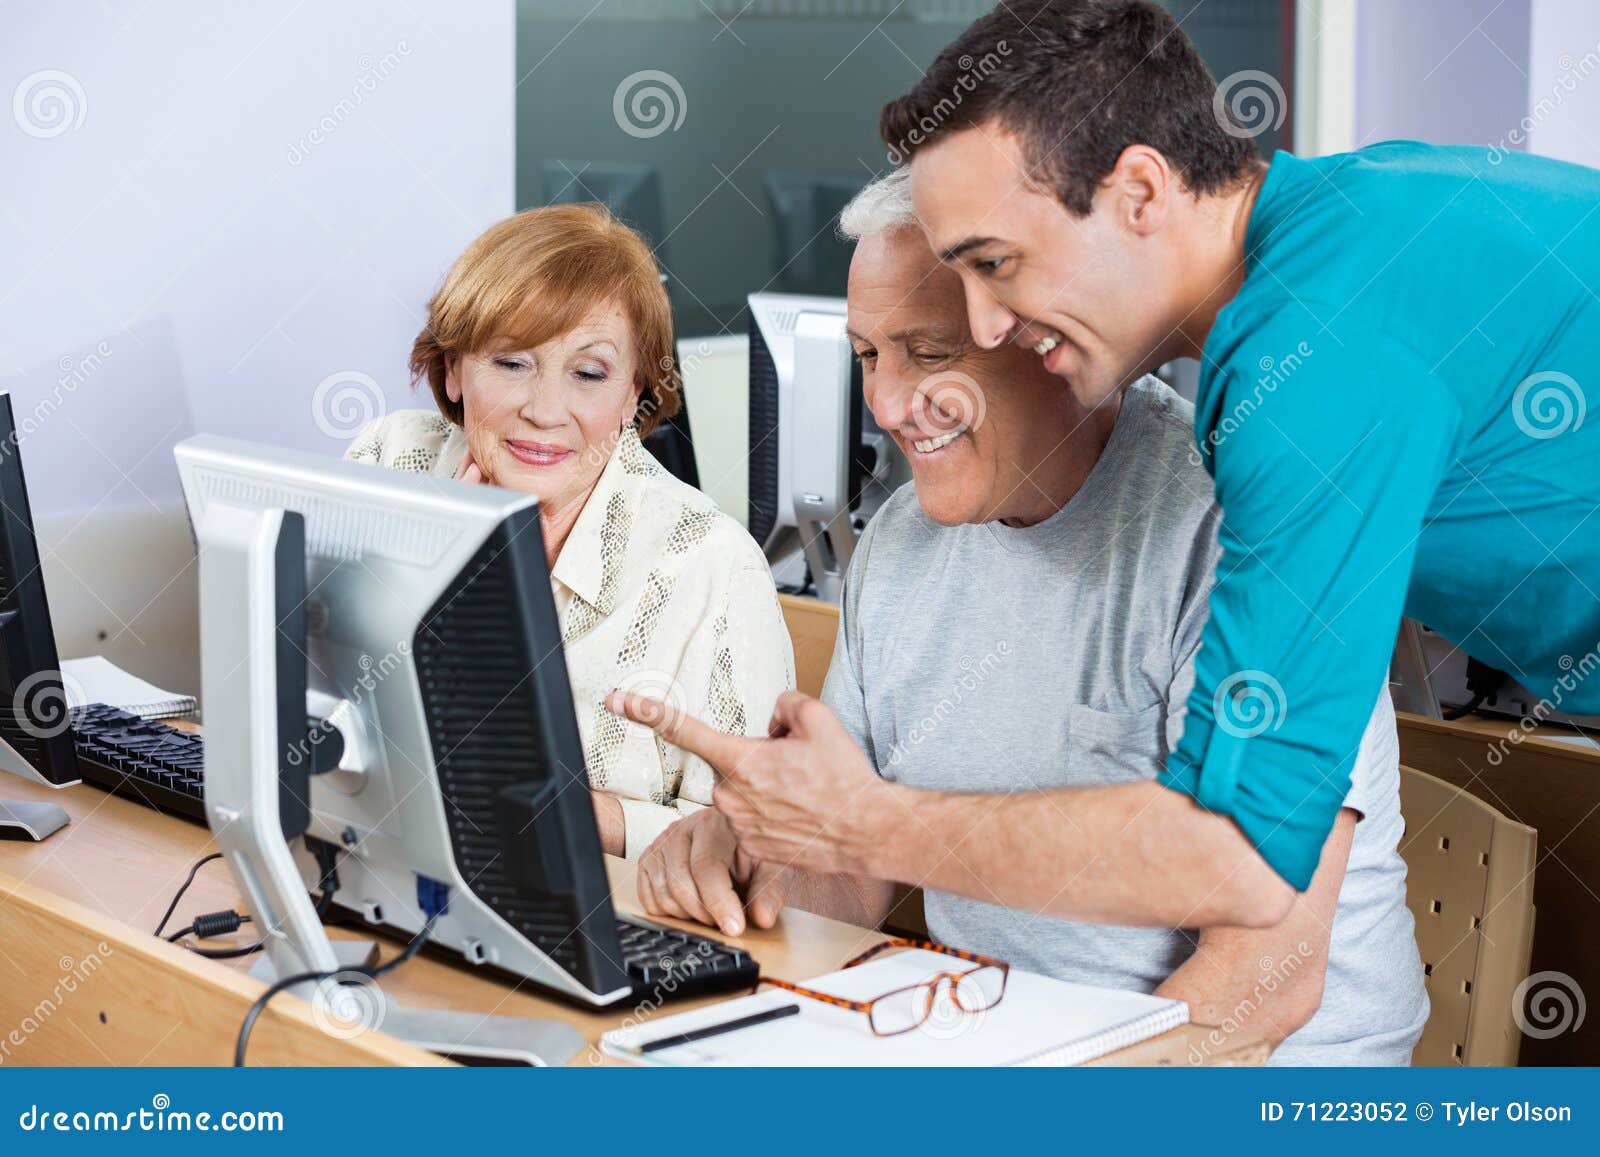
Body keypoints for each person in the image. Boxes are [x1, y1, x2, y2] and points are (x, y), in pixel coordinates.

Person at [621, 0, 1600, 928]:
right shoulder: (1343, 222)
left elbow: (1243, 857)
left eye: (996, 264)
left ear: (1138, 190)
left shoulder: (1308, 364)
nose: (985, 324)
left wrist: (862, 819)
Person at [622, 170, 1427, 1063]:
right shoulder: (897, 546)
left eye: (927, 352)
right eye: (866, 356)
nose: (886, 405)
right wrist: (743, 853)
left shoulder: (1243, 535)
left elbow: (1264, 980)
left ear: (1040, 334)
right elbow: (847, 879)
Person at [346, 203, 793, 859]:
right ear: (452, 368)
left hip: (609, 925)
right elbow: (312, 708)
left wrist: (577, 816)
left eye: (588, 373)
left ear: (633, 389)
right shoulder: (392, 463)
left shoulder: (712, 565)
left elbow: (757, 843)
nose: (546, 410)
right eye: (511, 362)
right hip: (382, 870)